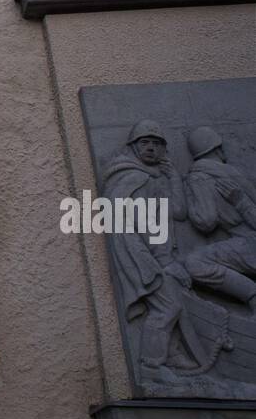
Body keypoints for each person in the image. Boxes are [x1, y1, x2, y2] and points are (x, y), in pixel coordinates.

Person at [101, 121, 223, 372]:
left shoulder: (155, 177)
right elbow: (137, 225)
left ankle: (172, 354)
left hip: (162, 254)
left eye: (156, 144)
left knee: (174, 302)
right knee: (169, 306)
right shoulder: (132, 177)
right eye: (144, 142)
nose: (150, 148)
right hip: (143, 256)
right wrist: (162, 263)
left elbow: (178, 212)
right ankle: (152, 367)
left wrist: (173, 177)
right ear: (133, 147)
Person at [183, 127, 256, 307]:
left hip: (250, 244)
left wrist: (240, 202)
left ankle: (252, 294)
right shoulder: (235, 174)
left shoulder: (199, 179)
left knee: (195, 263)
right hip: (246, 243)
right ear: (217, 149)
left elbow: (206, 222)